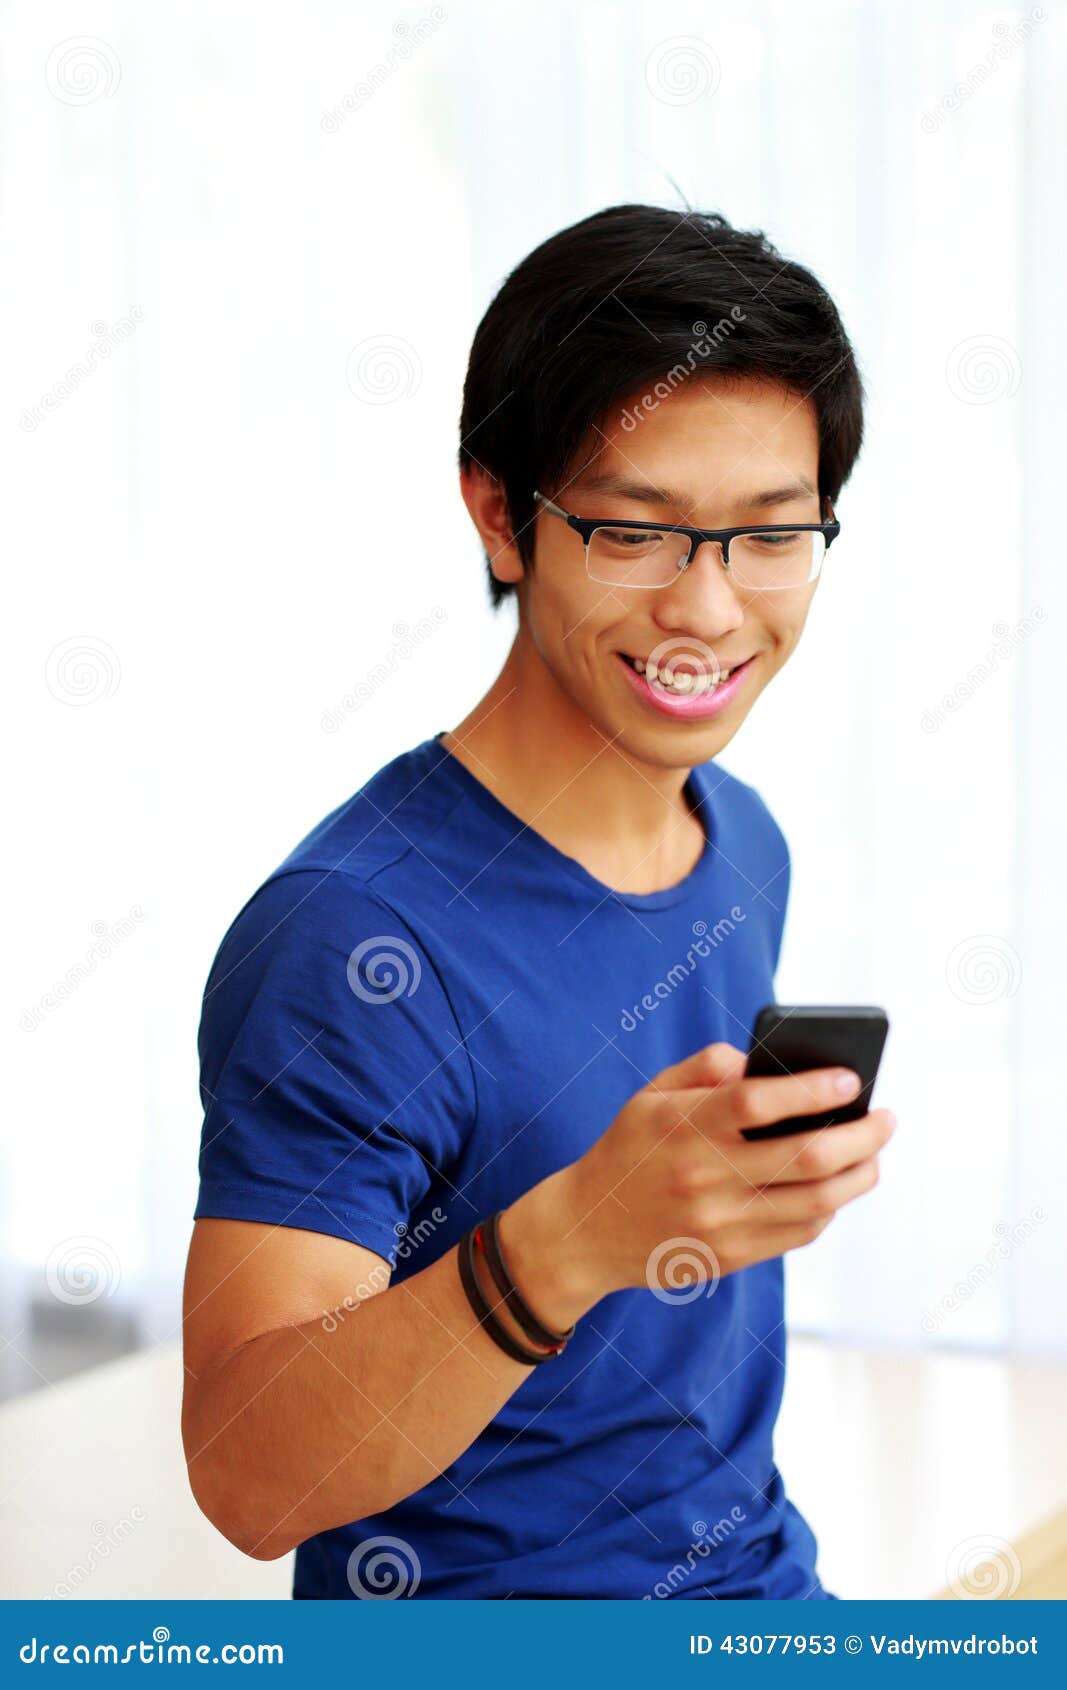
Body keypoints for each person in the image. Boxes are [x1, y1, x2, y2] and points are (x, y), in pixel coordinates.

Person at [181, 204, 895, 1600]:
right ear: (501, 516)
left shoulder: (744, 842)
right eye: (636, 529)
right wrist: (567, 1242)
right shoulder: (352, 938)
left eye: (770, 535)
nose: (709, 610)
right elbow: (251, 1478)